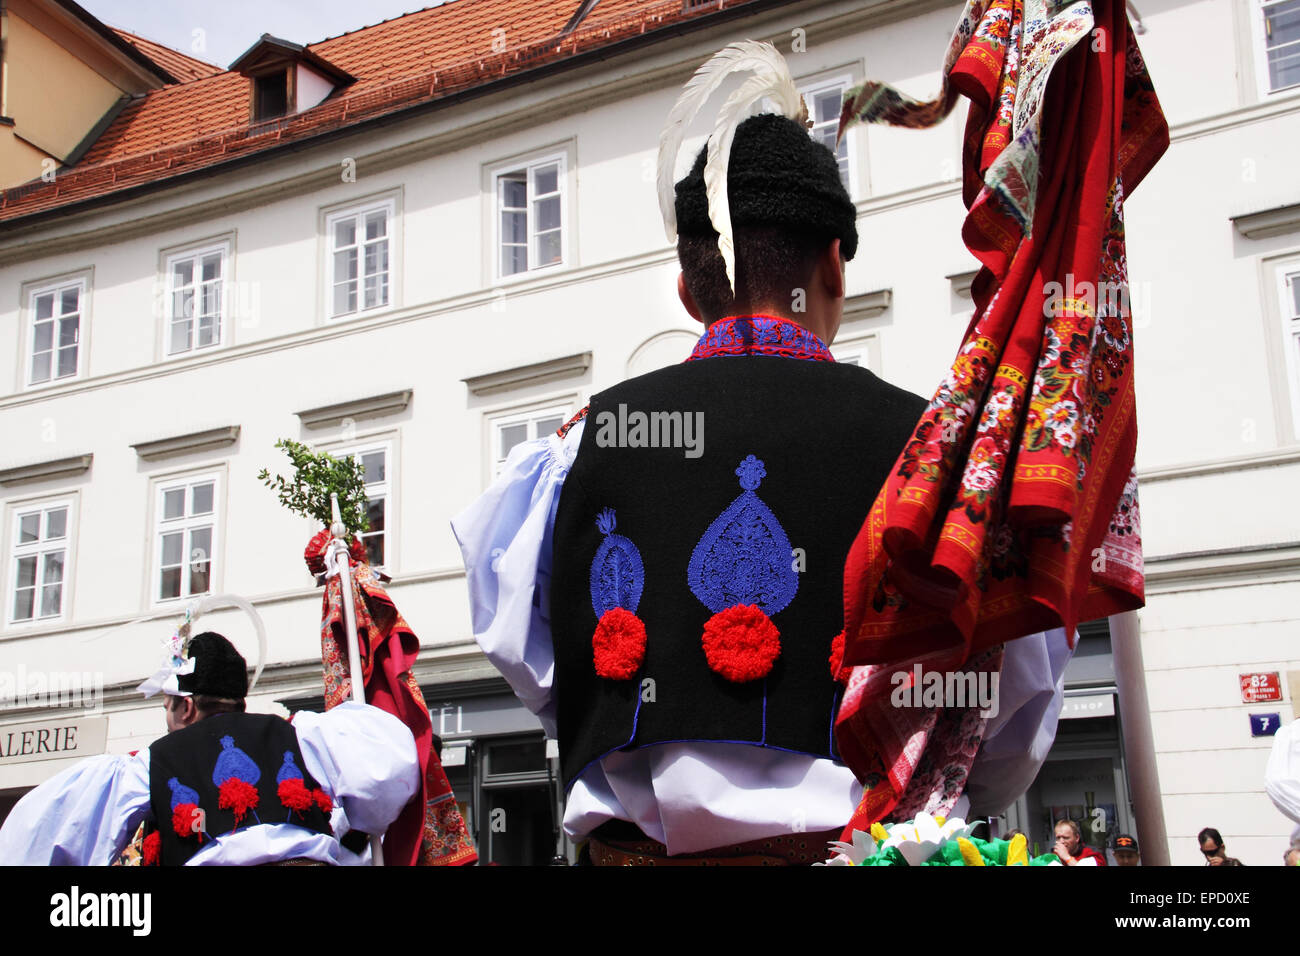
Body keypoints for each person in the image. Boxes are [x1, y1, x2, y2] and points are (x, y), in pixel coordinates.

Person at [452, 41, 1072, 865]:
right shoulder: (943, 459)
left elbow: (538, 672)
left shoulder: (574, 450)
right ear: (835, 269)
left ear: (686, 289)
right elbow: (1009, 721)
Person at [0, 631, 419, 865]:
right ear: (240, 700)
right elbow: (384, 783)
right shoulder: (304, 735)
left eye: (166, 708)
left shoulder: (148, 766)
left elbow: (40, 839)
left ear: (184, 707)